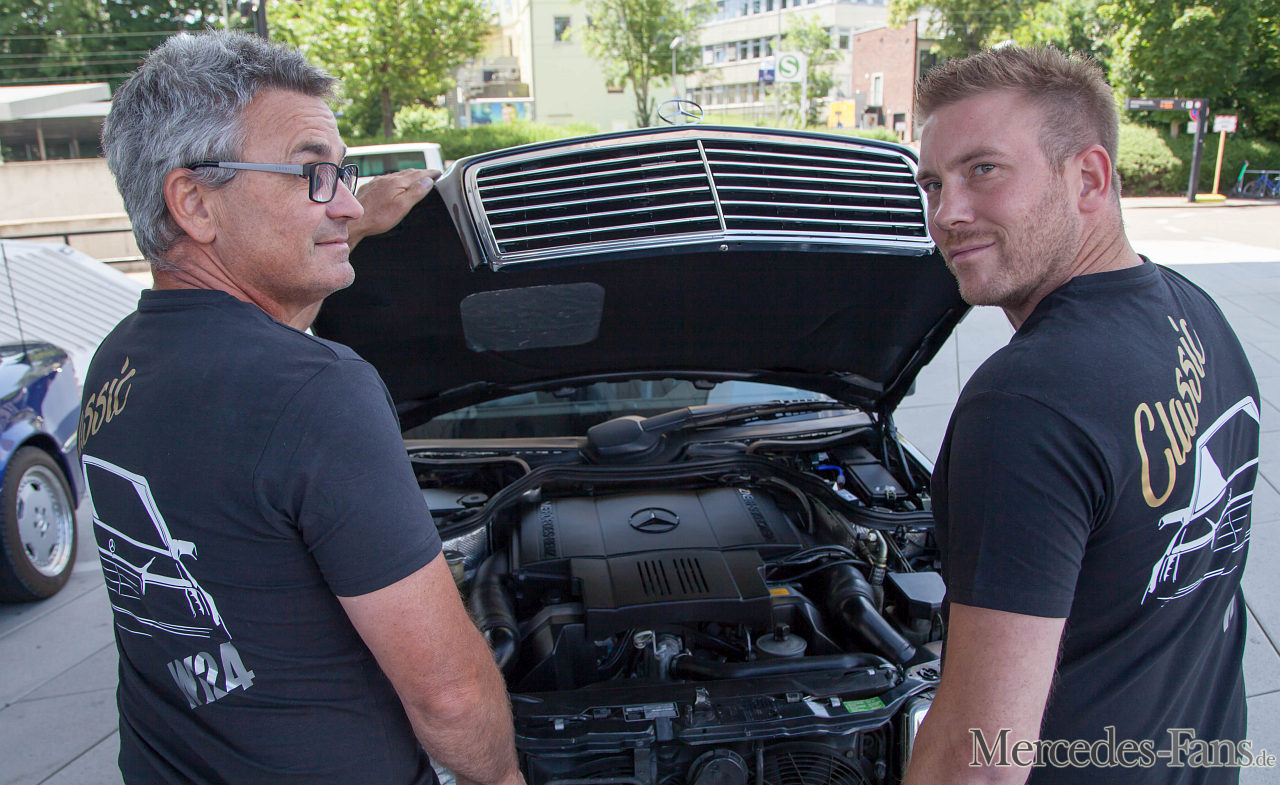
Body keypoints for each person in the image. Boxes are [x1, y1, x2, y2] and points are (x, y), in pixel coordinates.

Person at [82, 31, 524, 785]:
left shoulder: (120, 359)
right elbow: (448, 697)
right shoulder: (311, 391)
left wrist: (342, 220)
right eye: (313, 174)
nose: (346, 201)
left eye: (344, 175)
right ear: (193, 202)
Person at [904, 46, 1260, 785]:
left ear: (1089, 178)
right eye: (933, 182)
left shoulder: (1025, 404)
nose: (947, 213)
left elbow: (979, 761)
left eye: (984, 170)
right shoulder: (1194, 311)